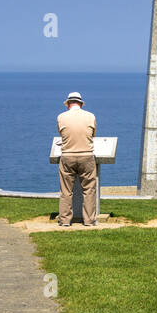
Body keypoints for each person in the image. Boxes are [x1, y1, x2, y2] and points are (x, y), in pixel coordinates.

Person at [57, 91, 98, 226]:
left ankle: (64, 220)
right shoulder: (90, 116)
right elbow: (92, 134)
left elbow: (62, 134)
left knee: (66, 191)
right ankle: (89, 220)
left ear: (68, 104)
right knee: (89, 190)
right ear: (80, 104)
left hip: (67, 155)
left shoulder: (61, 117)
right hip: (86, 155)